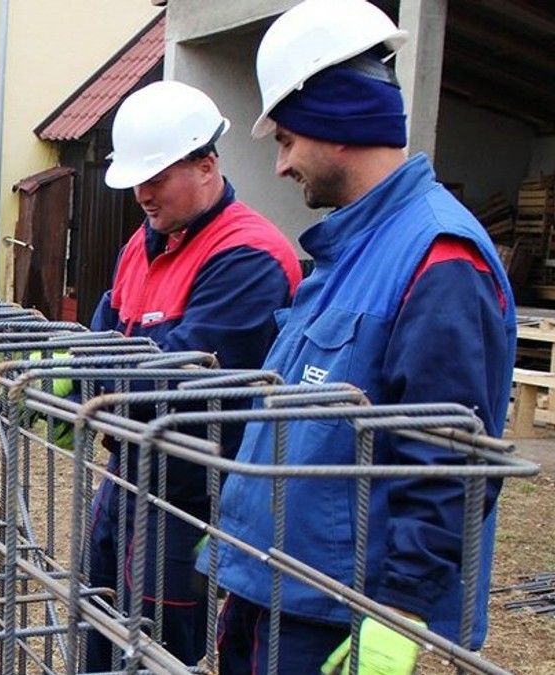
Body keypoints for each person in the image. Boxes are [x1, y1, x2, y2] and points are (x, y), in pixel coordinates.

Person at [209, 1, 516, 674]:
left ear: (337, 122)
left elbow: (447, 456)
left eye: (286, 139)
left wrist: (400, 613)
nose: (281, 165)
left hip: (336, 611)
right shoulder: (347, 252)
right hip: (274, 583)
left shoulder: (438, 257)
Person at [83, 80, 302, 671]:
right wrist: (97, 374)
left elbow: (176, 385)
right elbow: (99, 341)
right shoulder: (141, 244)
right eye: (137, 180)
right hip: (126, 470)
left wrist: (99, 378)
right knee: (95, 615)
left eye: (155, 178)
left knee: (157, 644)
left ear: (206, 166)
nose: (142, 195)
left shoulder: (248, 257)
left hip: (191, 495)